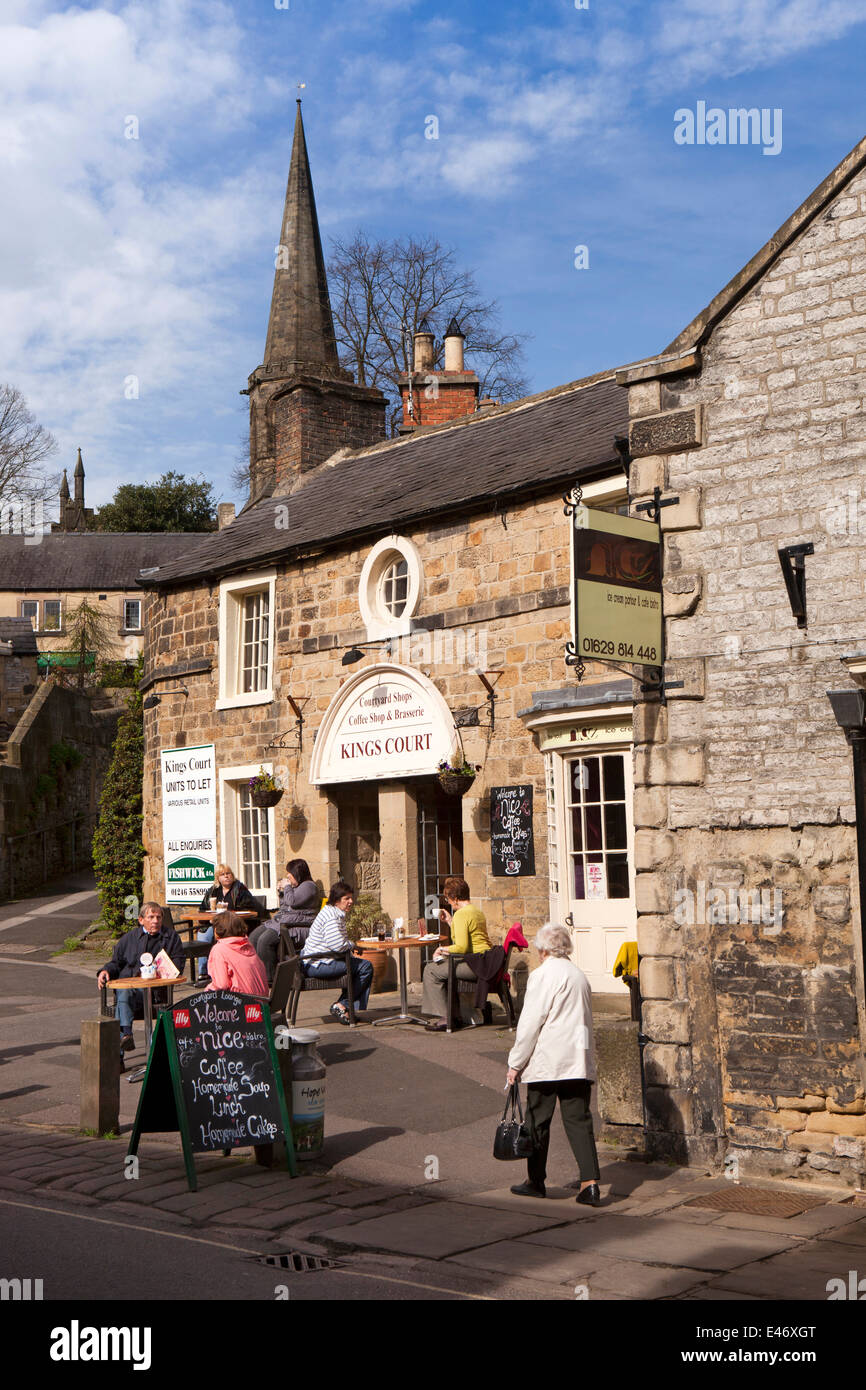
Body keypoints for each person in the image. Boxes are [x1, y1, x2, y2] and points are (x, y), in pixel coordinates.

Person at [505, 922, 601, 1206]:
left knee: (537, 1119)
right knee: (579, 1120)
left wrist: (515, 1063)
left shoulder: (542, 976)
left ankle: (536, 1181)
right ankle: (590, 1183)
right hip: (577, 1060)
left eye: (538, 949)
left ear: (544, 949)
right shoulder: (579, 976)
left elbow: (530, 1023)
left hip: (548, 1059)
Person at [96, 902, 185, 1053]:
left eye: (158, 917)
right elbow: (116, 963)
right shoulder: (129, 938)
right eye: (151, 917)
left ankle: (123, 1045)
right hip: (133, 994)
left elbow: (178, 963)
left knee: (121, 1006)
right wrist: (105, 971)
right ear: (141, 920)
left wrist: (161, 971)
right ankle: (127, 1036)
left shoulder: (171, 937)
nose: (155, 921)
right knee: (124, 993)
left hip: (157, 994)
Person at [422, 876, 491, 1031]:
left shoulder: (461, 914)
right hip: (484, 962)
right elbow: (469, 939)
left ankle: (446, 1018)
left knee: (431, 970)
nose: (448, 903)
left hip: (475, 966)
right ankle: (455, 1014)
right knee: (443, 967)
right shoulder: (476, 911)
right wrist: (450, 921)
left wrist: (441, 949)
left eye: (448, 899)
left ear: (454, 898)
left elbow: (461, 947)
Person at [300, 881, 373, 1025]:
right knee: (365, 967)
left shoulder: (332, 912)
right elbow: (338, 945)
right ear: (337, 900)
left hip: (318, 961)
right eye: (347, 898)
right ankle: (342, 1006)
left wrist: (349, 946)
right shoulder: (331, 917)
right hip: (318, 964)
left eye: (351, 898)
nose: (351, 901)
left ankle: (346, 1009)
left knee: (357, 965)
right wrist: (352, 945)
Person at [249, 858, 320, 983]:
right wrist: (281, 893)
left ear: (298, 873)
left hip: (297, 925)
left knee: (264, 941)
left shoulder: (309, 886)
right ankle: (258, 975)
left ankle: (271, 979)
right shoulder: (296, 886)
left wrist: (287, 887)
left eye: (290, 873)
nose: (288, 876)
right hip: (283, 921)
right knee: (253, 937)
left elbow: (293, 901)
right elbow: (285, 906)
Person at [195, 865, 261, 981]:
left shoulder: (240, 889)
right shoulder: (213, 891)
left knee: (224, 936)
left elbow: (248, 908)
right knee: (203, 935)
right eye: (222, 874)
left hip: (234, 924)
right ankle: (204, 973)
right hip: (214, 923)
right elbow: (202, 909)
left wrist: (230, 914)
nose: (226, 876)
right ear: (218, 878)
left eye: (228, 873)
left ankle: (227, 971)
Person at [206, 912, 269, 995]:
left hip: (242, 1003)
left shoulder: (219, 949)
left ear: (217, 930)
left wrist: (206, 990)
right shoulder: (248, 945)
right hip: (262, 1003)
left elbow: (221, 985)